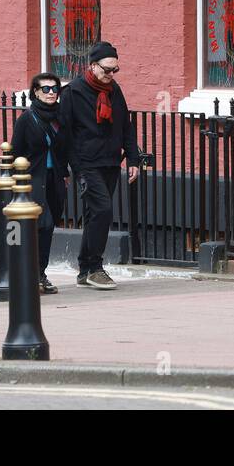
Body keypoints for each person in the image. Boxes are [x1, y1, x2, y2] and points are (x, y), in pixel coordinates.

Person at [59, 41, 141, 290]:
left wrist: (133, 159)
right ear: (93, 66)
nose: (110, 75)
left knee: (95, 214)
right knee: (103, 210)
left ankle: (85, 269)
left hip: (111, 161)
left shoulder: (115, 91)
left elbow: (126, 126)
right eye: (106, 70)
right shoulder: (73, 92)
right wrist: (68, 168)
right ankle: (95, 267)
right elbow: (65, 134)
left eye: (115, 70)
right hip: (86, 163)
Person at [10, 72, 69, 295]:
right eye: (46, 89)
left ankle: (40, 273)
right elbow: (16, 151)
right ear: (35, 92)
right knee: (38, 226)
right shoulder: (27, 119)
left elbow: (64, 149)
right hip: (32, 179)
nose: (51, 93)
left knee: (49, 227)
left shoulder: (60, 117)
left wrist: (65, 173)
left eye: (55, 89)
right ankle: (29, 274)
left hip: (54, 179)